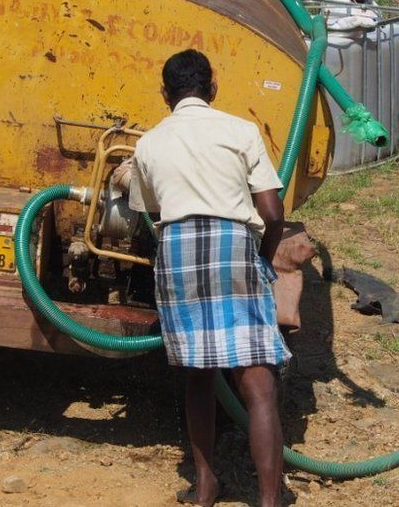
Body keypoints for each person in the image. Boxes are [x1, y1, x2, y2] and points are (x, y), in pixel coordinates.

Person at [128, 49, 289, 506]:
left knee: (199, 376)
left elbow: (150, 211)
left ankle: (205, 486)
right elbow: (272, 212)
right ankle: (270, 499)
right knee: (258, 385)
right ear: (212, 88)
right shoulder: (240, 131)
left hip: (178, 249)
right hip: (233, 245)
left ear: (165, 94)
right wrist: (262, 259)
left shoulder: (148, 144)